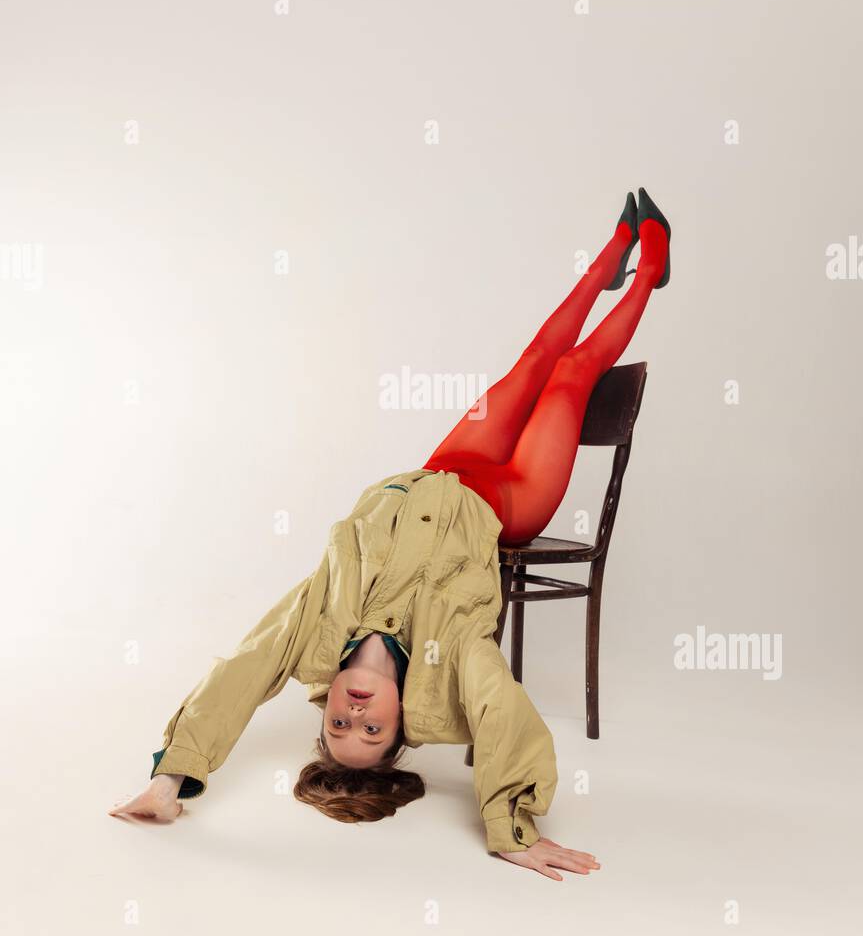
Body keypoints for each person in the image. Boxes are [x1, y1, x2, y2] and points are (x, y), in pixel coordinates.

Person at [110, 188, 671, 882]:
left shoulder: (314, 630)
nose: (352, 715)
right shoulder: (449, 659)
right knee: (565, 381)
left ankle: (610, 256)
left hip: (437, 470)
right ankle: (650, 267)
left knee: (529, 363)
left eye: (338, 729)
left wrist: (170, 781)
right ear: (405, 718)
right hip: (504, 503)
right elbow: (499, 707)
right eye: (372, 733)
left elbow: (241, 670)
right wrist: (509, 826)